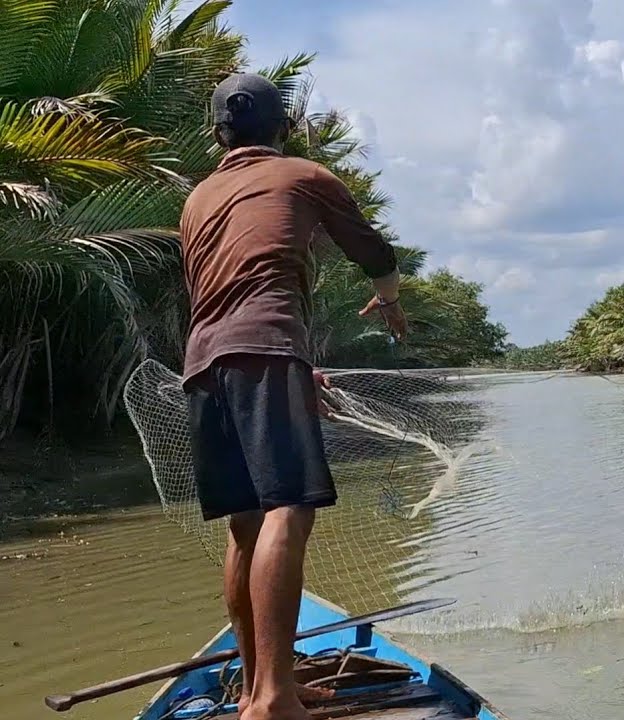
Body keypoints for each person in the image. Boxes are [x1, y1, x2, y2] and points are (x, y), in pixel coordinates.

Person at [179, 72, 408, 720]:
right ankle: (275, 699)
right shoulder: (305, 177)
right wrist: (389, 299)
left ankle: (257, 686)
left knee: (245, 523)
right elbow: (373, 250)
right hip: (264, 350)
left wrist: (291, 368)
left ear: (217, 134)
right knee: (288, 510)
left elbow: (217, 295)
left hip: (204, 361)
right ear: (285, 128)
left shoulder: (197, 199)